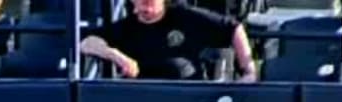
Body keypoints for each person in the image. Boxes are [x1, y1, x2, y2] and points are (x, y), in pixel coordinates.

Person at [79, 0, 256, 82]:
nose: (145, 4)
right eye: (141, 1)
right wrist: (116, 56)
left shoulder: (183, 16)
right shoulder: (126, 28)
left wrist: (249, 71)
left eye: (150, 1)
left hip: (188, 98)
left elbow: (233, 28)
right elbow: (87, 43)